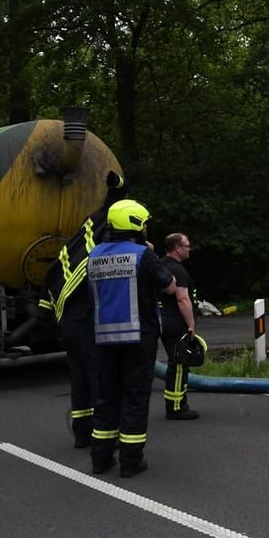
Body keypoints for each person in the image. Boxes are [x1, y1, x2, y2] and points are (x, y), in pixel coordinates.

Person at [87, 199, 180, 478]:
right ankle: (131, 461)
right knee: (135, 398)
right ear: (136, 224)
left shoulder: (94, 255)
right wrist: (149, 255)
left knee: (106, 397)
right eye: (145, 223)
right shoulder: (142, 254)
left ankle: (100, 459)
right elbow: (170, 286)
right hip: (138, 338)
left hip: (103, 338)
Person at [38, 171, 128, 449]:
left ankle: (81, 433)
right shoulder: (101, 241)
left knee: (79, 378)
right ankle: (103, 434)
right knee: (98, 375)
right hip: (86, 318)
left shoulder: (82, 235)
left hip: (68, 318)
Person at [160, 233, 200, 420]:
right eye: (186, 245)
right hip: (175, 322)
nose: (189, 249)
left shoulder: (159, 265)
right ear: (177, 248)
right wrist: (191, 325)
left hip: (160, 320)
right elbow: (183, 299)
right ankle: (176, 406)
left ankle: (174, 403)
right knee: (179, 364)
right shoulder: (178, 271)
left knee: (174, 363)